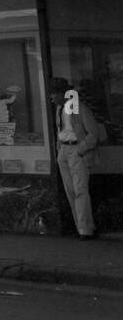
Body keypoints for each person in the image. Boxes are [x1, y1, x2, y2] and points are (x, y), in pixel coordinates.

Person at [52, 78, 103, 239]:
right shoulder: (59, 108)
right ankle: (82, 227)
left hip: (76, 149)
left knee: (80, 190)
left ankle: (85, 230)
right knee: (71, 191)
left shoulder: (80, 108)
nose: (51, 97)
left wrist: (80, 150)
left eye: (53, 93)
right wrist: (60, 149)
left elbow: (94, 134)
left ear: (62, 94)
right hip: (65, 150)